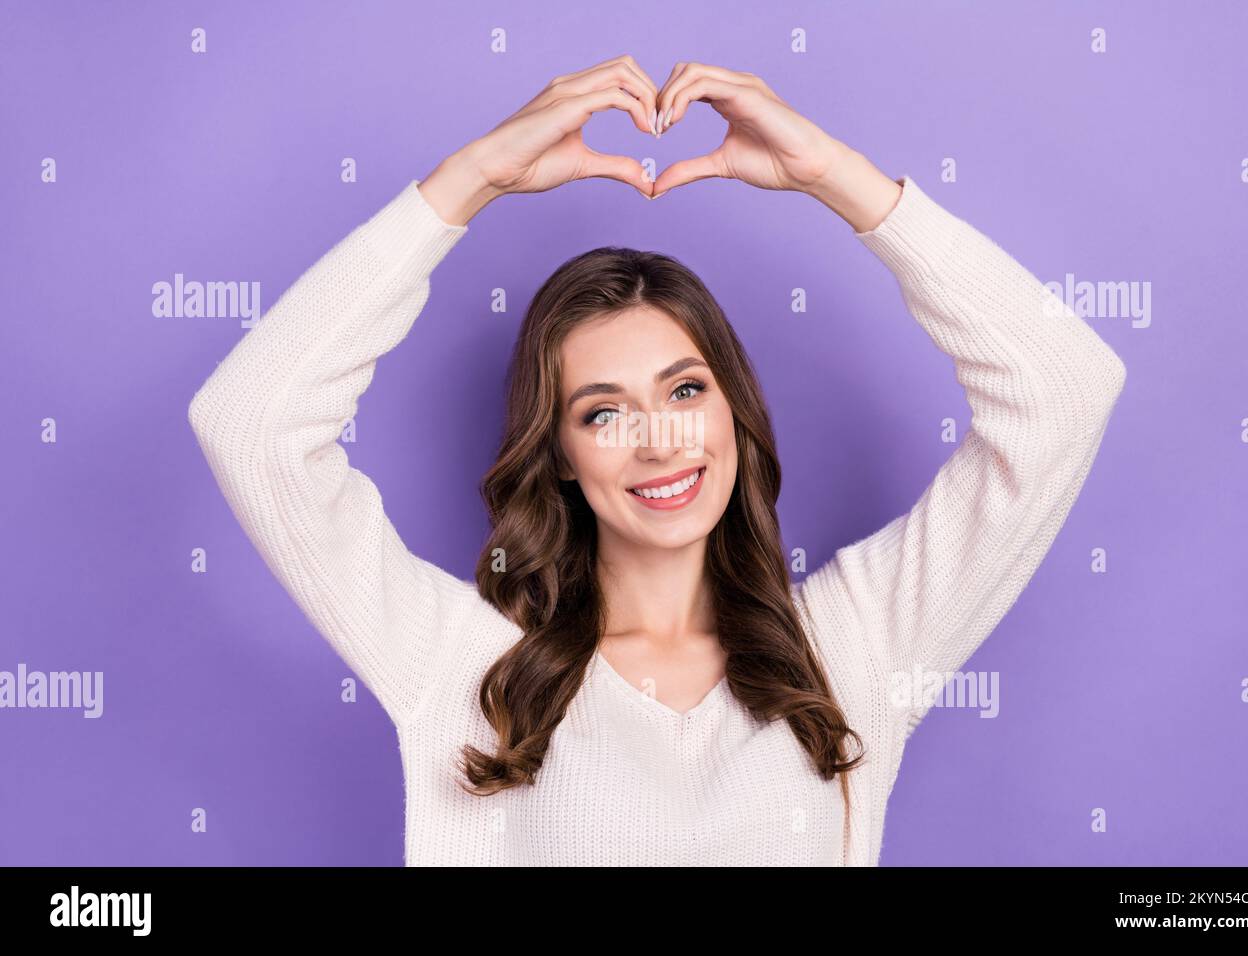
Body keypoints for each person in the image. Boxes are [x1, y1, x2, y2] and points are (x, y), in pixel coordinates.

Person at [188, 56, 1127, 865]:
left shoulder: (854, 649)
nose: (662, 439)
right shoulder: (467, 667)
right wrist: (468, 181)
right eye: (603, 412)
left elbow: (1064, 393)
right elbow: (250, 423)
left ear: (733, 409)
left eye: (685, 391)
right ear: (555, 454)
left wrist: (838, 181)